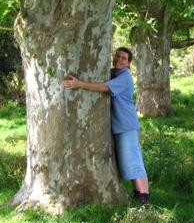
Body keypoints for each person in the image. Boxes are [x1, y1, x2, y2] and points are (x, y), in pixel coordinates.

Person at [61, 47, 150, 206]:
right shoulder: (114, 73)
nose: (119, 59)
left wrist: (78, 83)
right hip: (120, 126)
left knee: (134, 161)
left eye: (123, 58)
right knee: (127, 162)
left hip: (126, 126)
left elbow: (104, 87)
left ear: (129, 63)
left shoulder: (125, 78)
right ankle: (138, 194)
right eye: (117, 56)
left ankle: (144, 198)